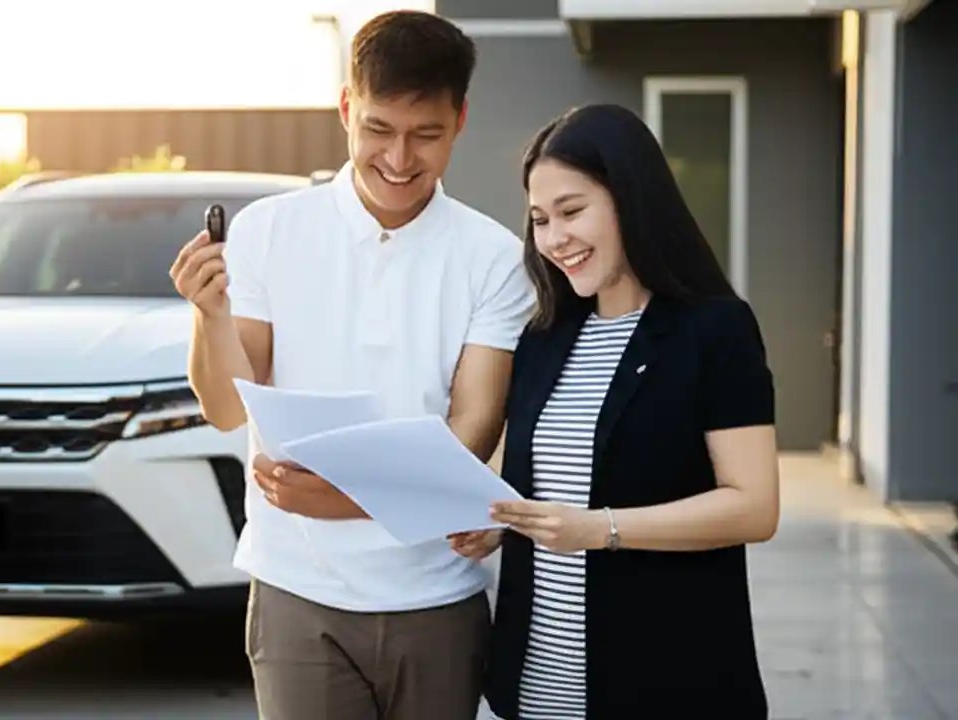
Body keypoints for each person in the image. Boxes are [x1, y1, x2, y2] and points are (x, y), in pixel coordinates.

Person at [168, 10, 535, 719]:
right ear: (346, 109)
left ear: (459, 120)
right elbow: (224, 407)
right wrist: (209, 315)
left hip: (437, 596)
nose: (400, 160)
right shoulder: (268, 231)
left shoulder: (492, 259)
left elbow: (473, 433)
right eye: (379, 130)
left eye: (426, 135)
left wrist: (339, 498)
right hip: (296, 591)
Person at [450, 104, 780, 719]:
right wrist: (504, 525)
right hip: (538, 688)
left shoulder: (715, 330)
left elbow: (754, 506)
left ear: (632, 198)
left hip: (666, 683)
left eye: (573, 211)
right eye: (541, 220)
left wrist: (601, 530)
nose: (554, 239)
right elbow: (549, 484)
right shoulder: (545, 338)